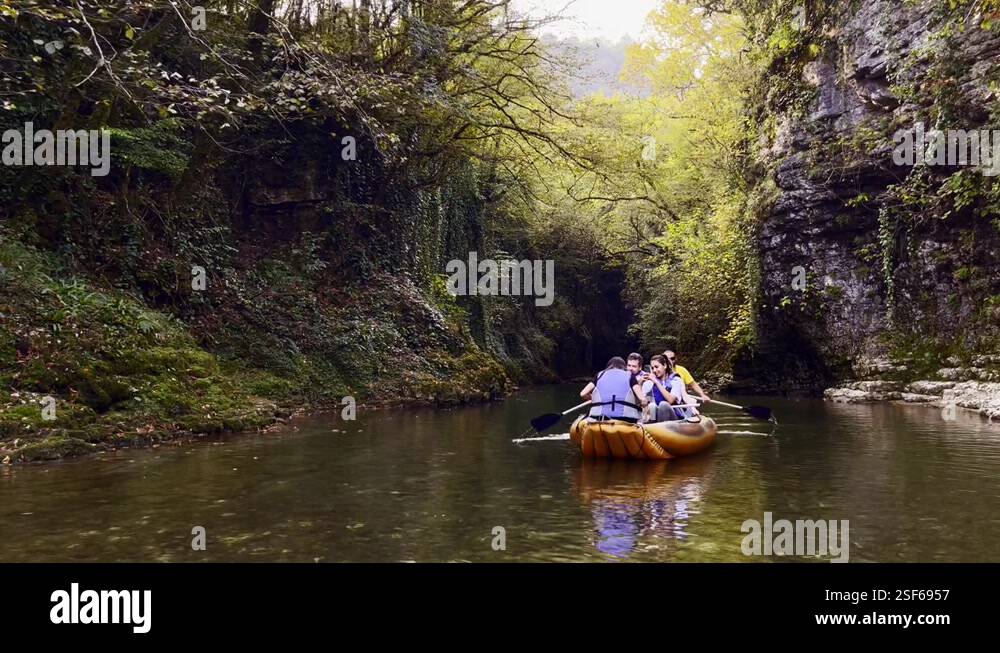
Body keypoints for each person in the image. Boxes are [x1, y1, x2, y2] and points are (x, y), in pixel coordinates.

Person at [580, 357, 647, 423]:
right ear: (624, 367)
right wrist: (645, 411)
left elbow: (583, 393)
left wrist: (594, 399)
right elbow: (642, 400)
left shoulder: (599, 375)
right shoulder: (630, 376)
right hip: (626, 420)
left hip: (599, 418)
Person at [642, 354, 698, 422]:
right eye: (652, 368)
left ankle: (662, 429)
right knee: (652, 406)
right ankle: (651, 428)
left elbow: (670, 400)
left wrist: (656, 382)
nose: (654, 370)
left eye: (657, 367)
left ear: (665, 366)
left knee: (663, 405)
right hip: (656, 419)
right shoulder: (649, 383)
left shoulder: (675, 381)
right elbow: (643, 403)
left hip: (674, 417)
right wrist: (639, 384)